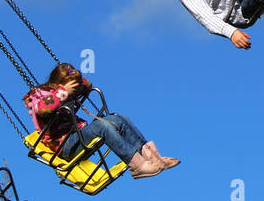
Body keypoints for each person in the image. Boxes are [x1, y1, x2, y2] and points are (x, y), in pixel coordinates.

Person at [23, 64, 180, 180]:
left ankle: (151, 156)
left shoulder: (67, 90)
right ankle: (137, 166)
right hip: (65, 145)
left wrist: (76, 81)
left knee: (120, 118)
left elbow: (88, 84)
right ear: (58, 83)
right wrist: (63, 92)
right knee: (103, 126)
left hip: (79, 135)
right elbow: (41, 109)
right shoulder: (40, 94)